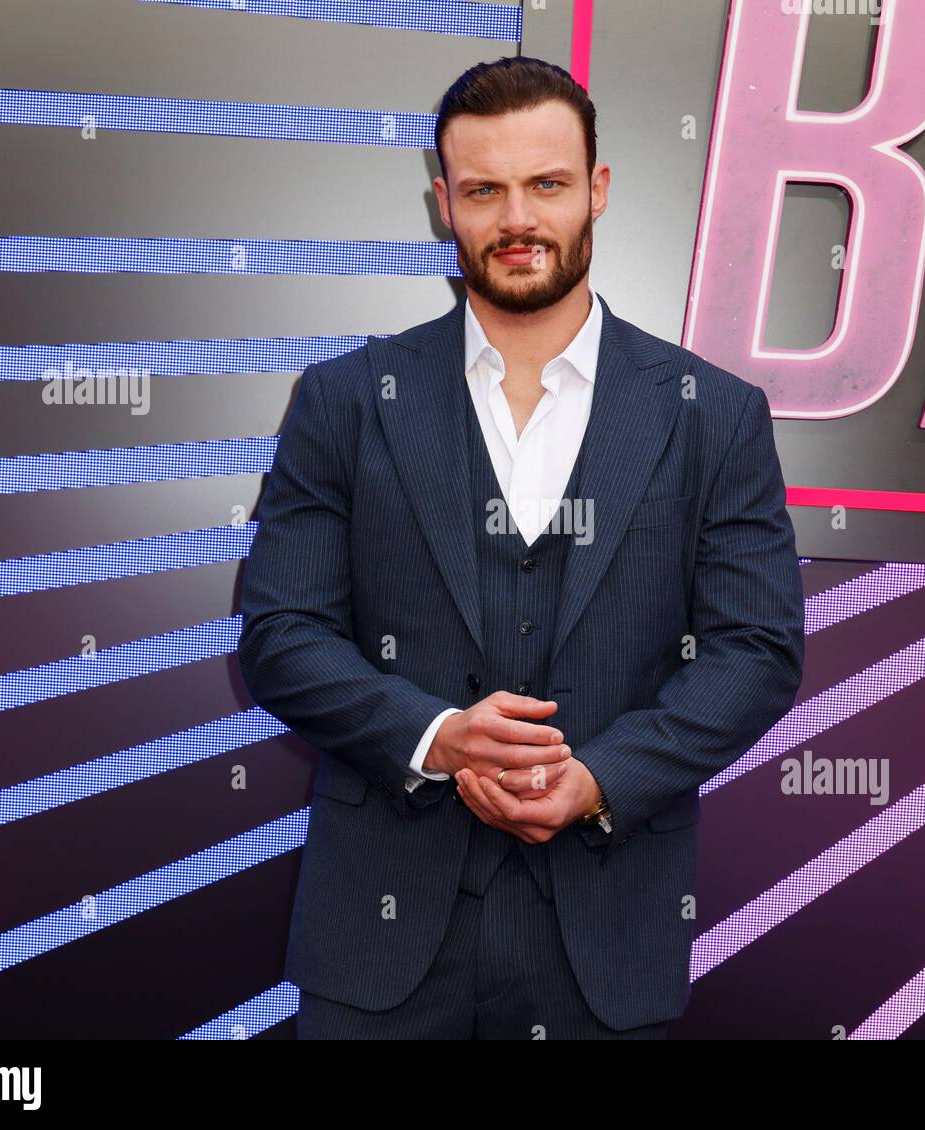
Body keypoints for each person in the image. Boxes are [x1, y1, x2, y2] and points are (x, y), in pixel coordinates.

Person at [237, 55, 805, 1039]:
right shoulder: (343, 401)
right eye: (483, 190)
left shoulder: (713, 414)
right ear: (441, 205)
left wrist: (597, 779)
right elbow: (283, 633)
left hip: (607, 938)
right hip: (379, 943)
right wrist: (436, 736)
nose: (516, 220)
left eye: (545, 184)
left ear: (598, 190)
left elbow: (754, 648)